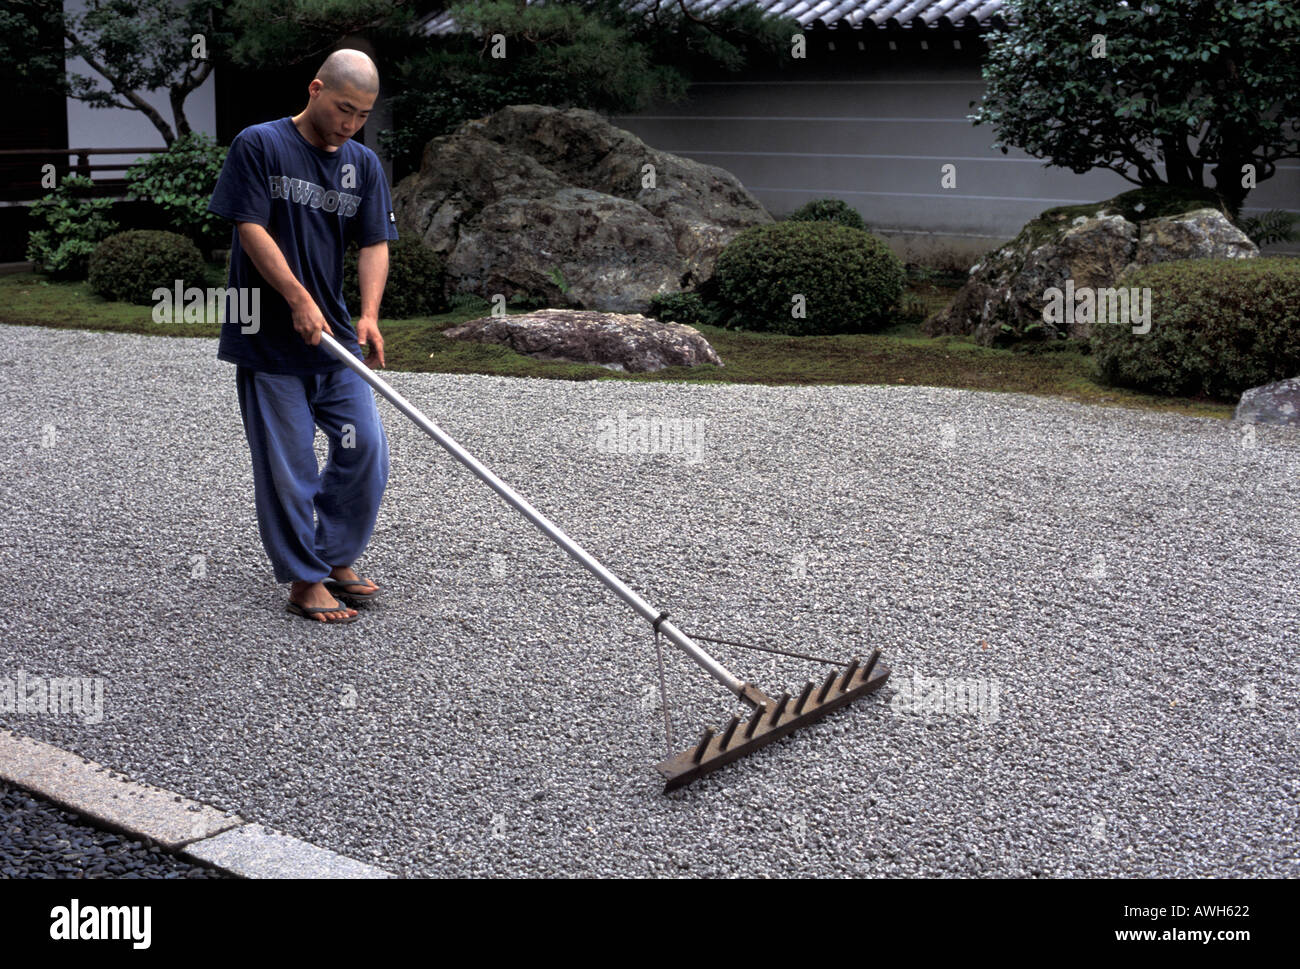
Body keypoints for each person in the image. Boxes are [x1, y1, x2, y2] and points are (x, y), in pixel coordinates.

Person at [208, 48, 399, 623]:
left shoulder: (362, 164)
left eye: (363, 115)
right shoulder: (260, 145)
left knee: (363, 446)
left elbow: (374, 243)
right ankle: (304, 578)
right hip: (267, 336)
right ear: (315, 90)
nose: (351, 124)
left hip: (335, 338)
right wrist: (296, 298)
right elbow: (249, 227)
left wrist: (367, 314)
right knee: (289, 464)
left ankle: (337, 554)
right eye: (344, 109)